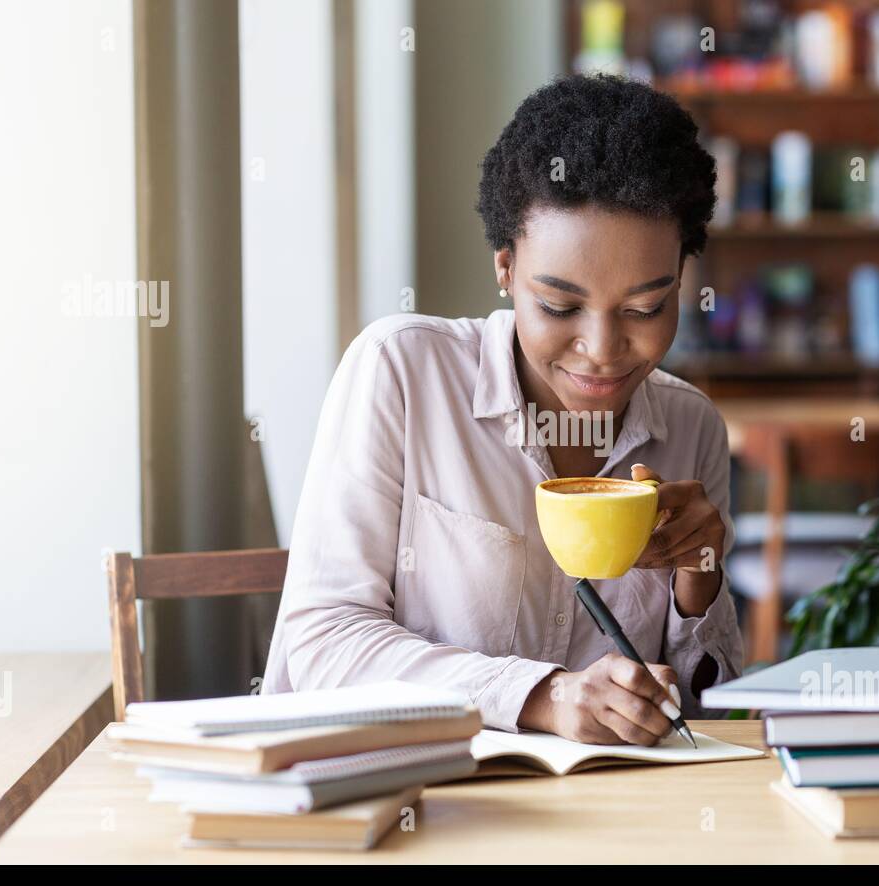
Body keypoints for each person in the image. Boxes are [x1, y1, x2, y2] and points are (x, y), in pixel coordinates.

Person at [261, 73, 743, 745]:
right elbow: (321, 644)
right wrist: (544, 696)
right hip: (420, 802)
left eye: (644, 308)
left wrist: (699, 580)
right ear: (506, 269)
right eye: (559, 305)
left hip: (609, 820)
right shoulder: (403, 372)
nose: (602, 350)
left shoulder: (690, 427)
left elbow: (710, 718)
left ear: (682, 281)